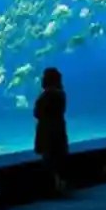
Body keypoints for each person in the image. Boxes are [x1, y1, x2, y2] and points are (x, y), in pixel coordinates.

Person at [34, 67, 70, 195]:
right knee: (59, 157)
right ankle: (61, 185)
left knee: (49, 158)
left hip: (47, 131)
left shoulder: (45, 96)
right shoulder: (61, 94)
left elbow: (37, 113)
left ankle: (52, 187)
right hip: (59, 128)